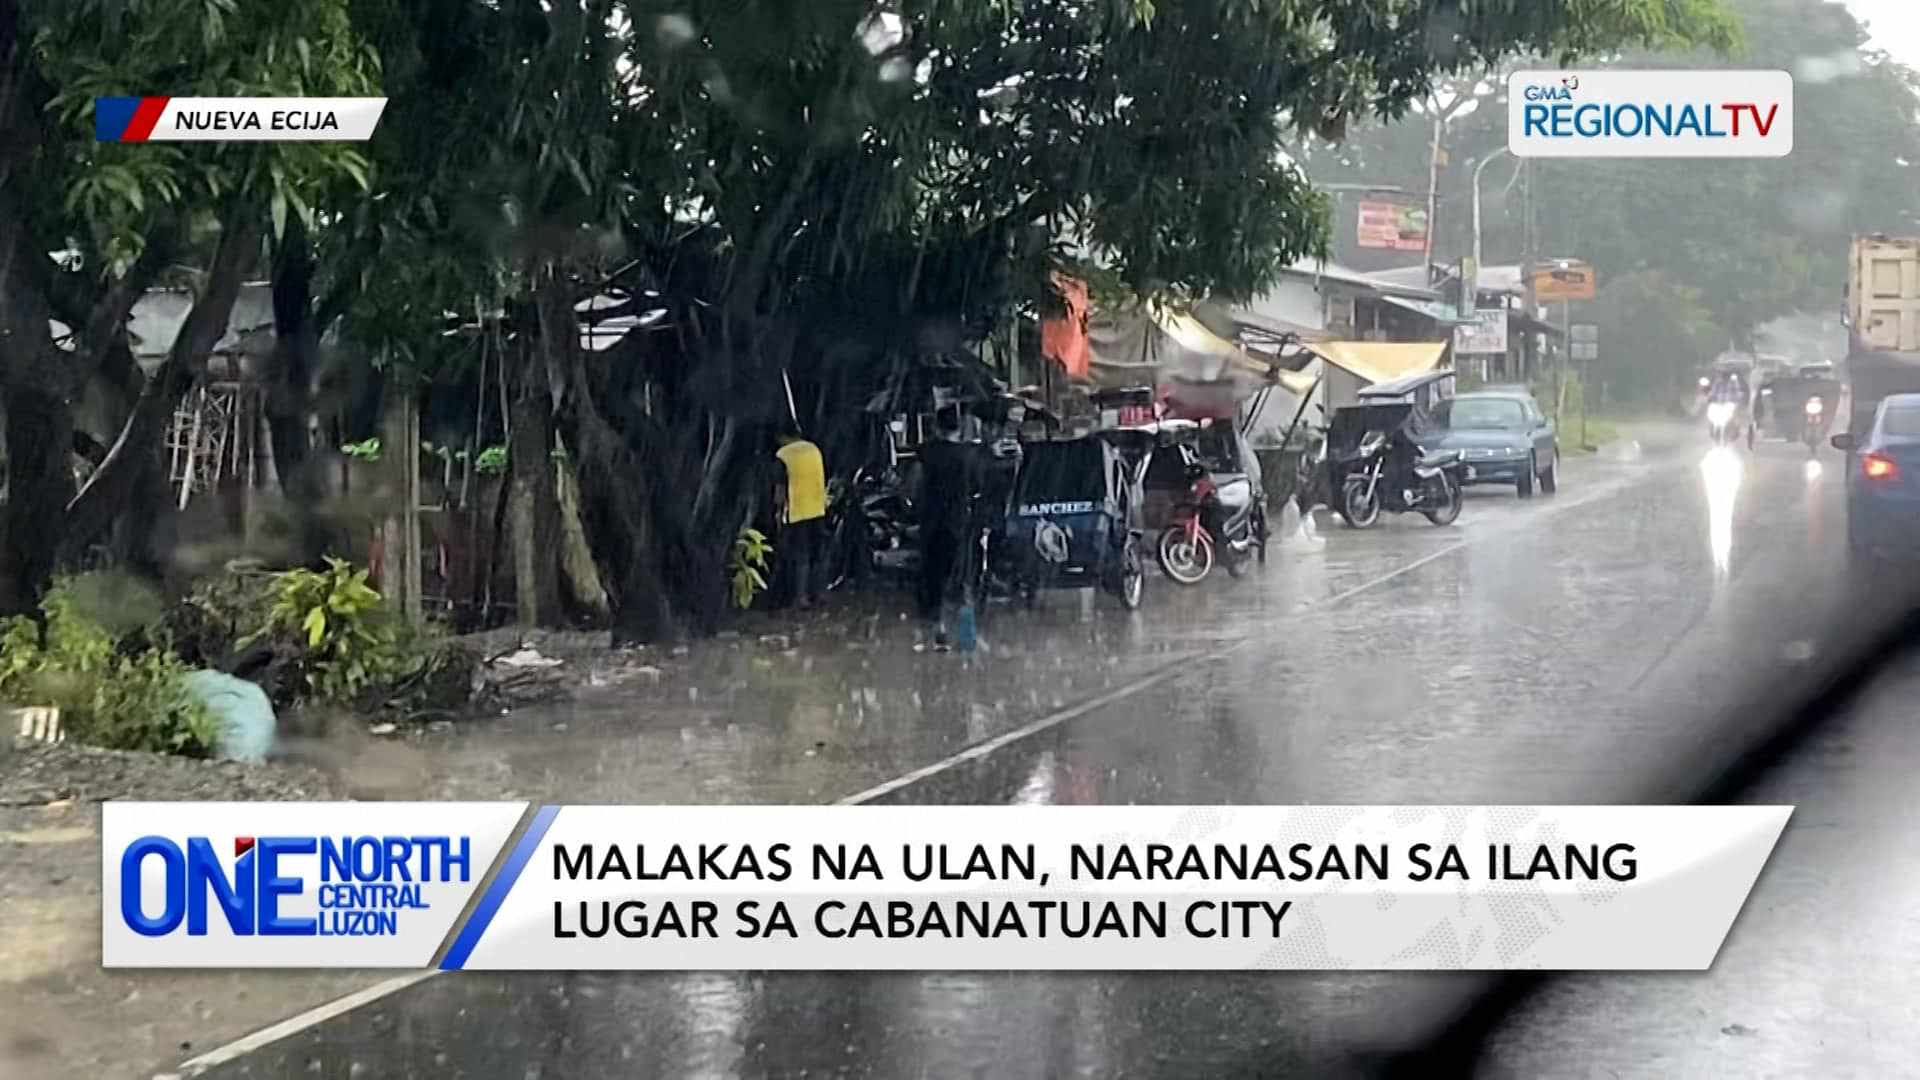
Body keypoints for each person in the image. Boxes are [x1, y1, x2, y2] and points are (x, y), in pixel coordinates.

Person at [916, 406, 979, 647]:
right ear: (959, 427)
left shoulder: (926, 453)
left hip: (931, 523)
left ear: (936, 426)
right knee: (960, 577)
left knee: (933, 576)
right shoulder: (968, 455)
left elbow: (915, 484)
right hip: (958, 523)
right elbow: (976, 487)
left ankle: (938, 629)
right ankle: (966, 635)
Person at [773, 425, 828, 609]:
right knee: (817, 554)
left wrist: (778, 511)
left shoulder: (783, 455)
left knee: (800, 556)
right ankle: (819, 593)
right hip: (818, 508)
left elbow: (780, 489)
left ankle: (801, 597)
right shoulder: (814, 449)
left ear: (782, 437)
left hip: (797, 512)